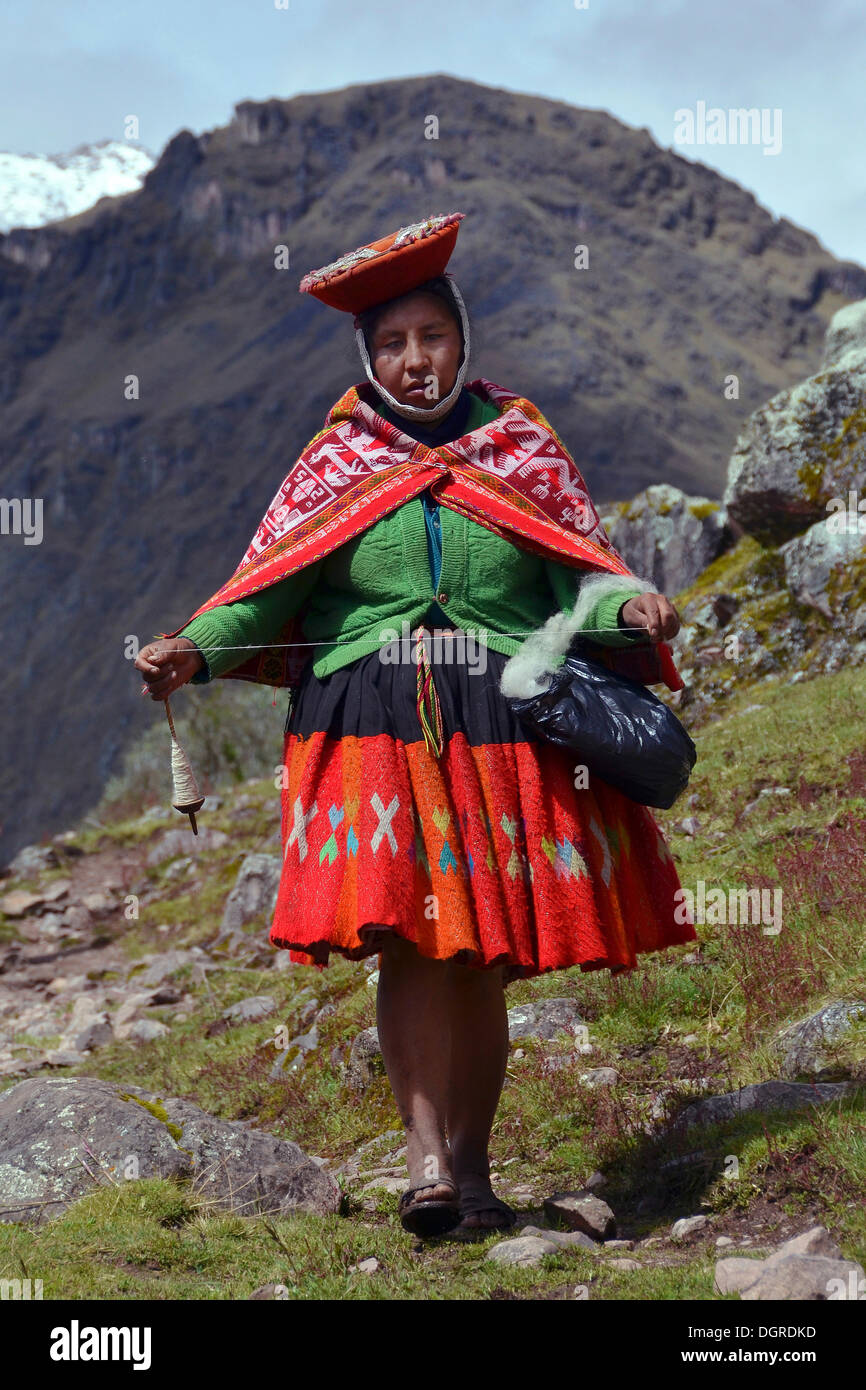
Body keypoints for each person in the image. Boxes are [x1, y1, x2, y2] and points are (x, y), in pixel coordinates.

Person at [135, 213, 696, 1238]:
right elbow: (263, 594)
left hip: (499, 721)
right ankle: (423, 1162)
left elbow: (581, 570)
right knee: (411, 942)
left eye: (429, 337)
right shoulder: (333, 461)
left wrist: (631, 606)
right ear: (369, 358)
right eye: (391, 344)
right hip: (372, 727)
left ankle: (476, 1175)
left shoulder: (517, 443)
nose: (413, 360)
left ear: (460, 341)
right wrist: (192, 648)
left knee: (478, 951)